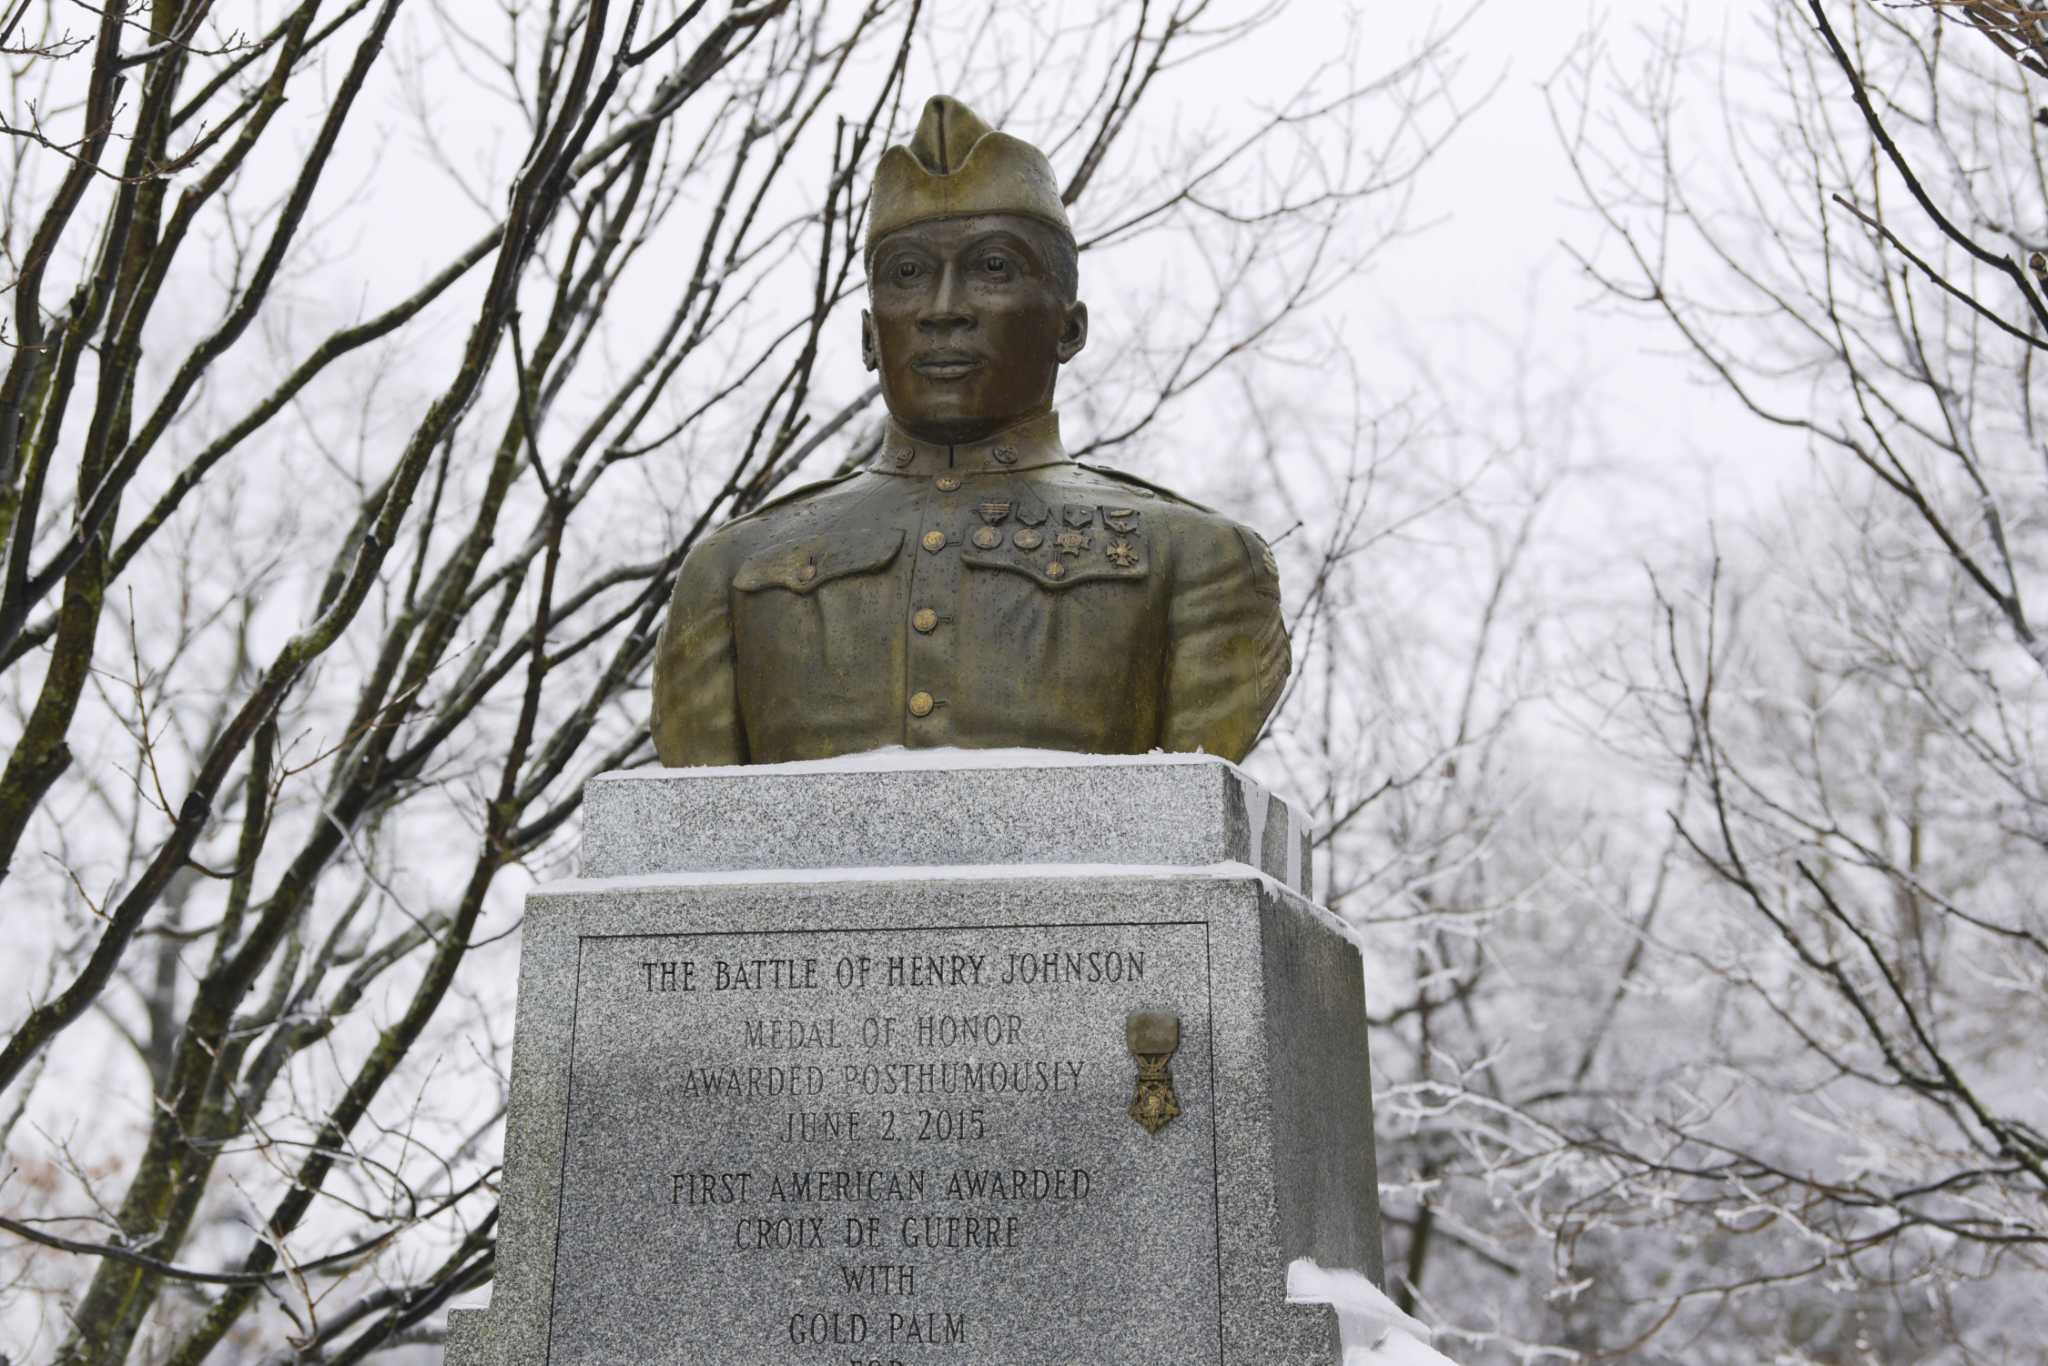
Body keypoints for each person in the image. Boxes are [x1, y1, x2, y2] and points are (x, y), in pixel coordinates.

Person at [651, 95, 1289, 765]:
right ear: (870, 336)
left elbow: (1186, 827)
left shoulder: (1198, 562)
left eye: (992, 268)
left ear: (1068, 328)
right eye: (908, 275)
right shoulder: (729, 571)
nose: (943, 309)